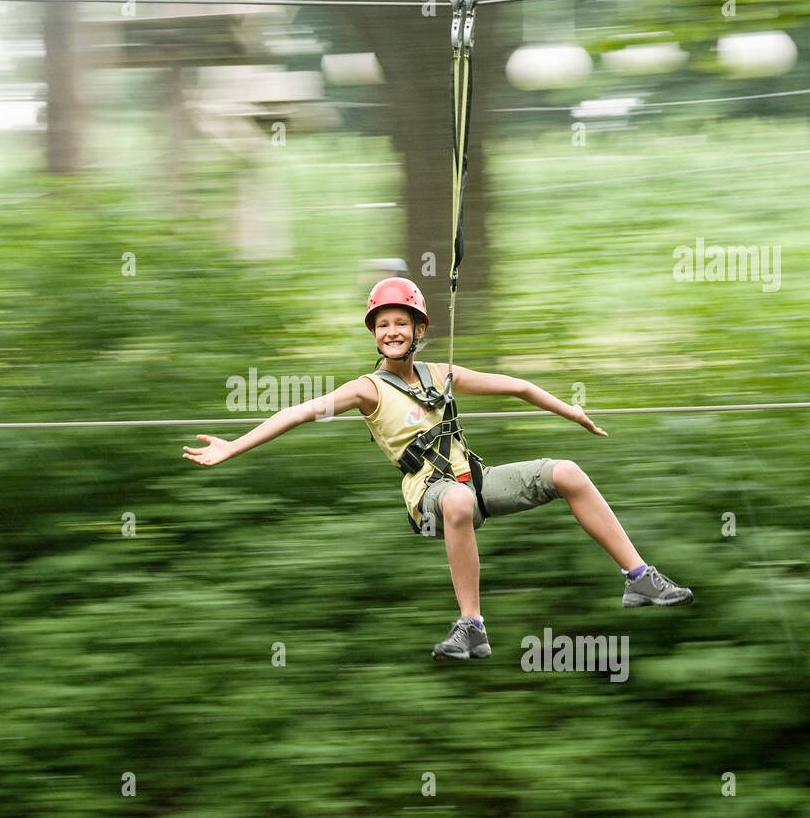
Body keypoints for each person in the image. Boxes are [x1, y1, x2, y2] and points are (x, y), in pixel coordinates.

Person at [183, 276, 692, 662]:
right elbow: (297, 412)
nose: (391, 332)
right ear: (374, 335)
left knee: (567, 472)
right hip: (428, 493)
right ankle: (471, 625)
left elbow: (515, 385)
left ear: (419, 330)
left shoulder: (441, 374)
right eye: (383, 325)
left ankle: (639, 577)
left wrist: (571, 412)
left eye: (401, 323)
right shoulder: (367, 390)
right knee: (456, 500)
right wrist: (235, 447)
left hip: (474, 477)